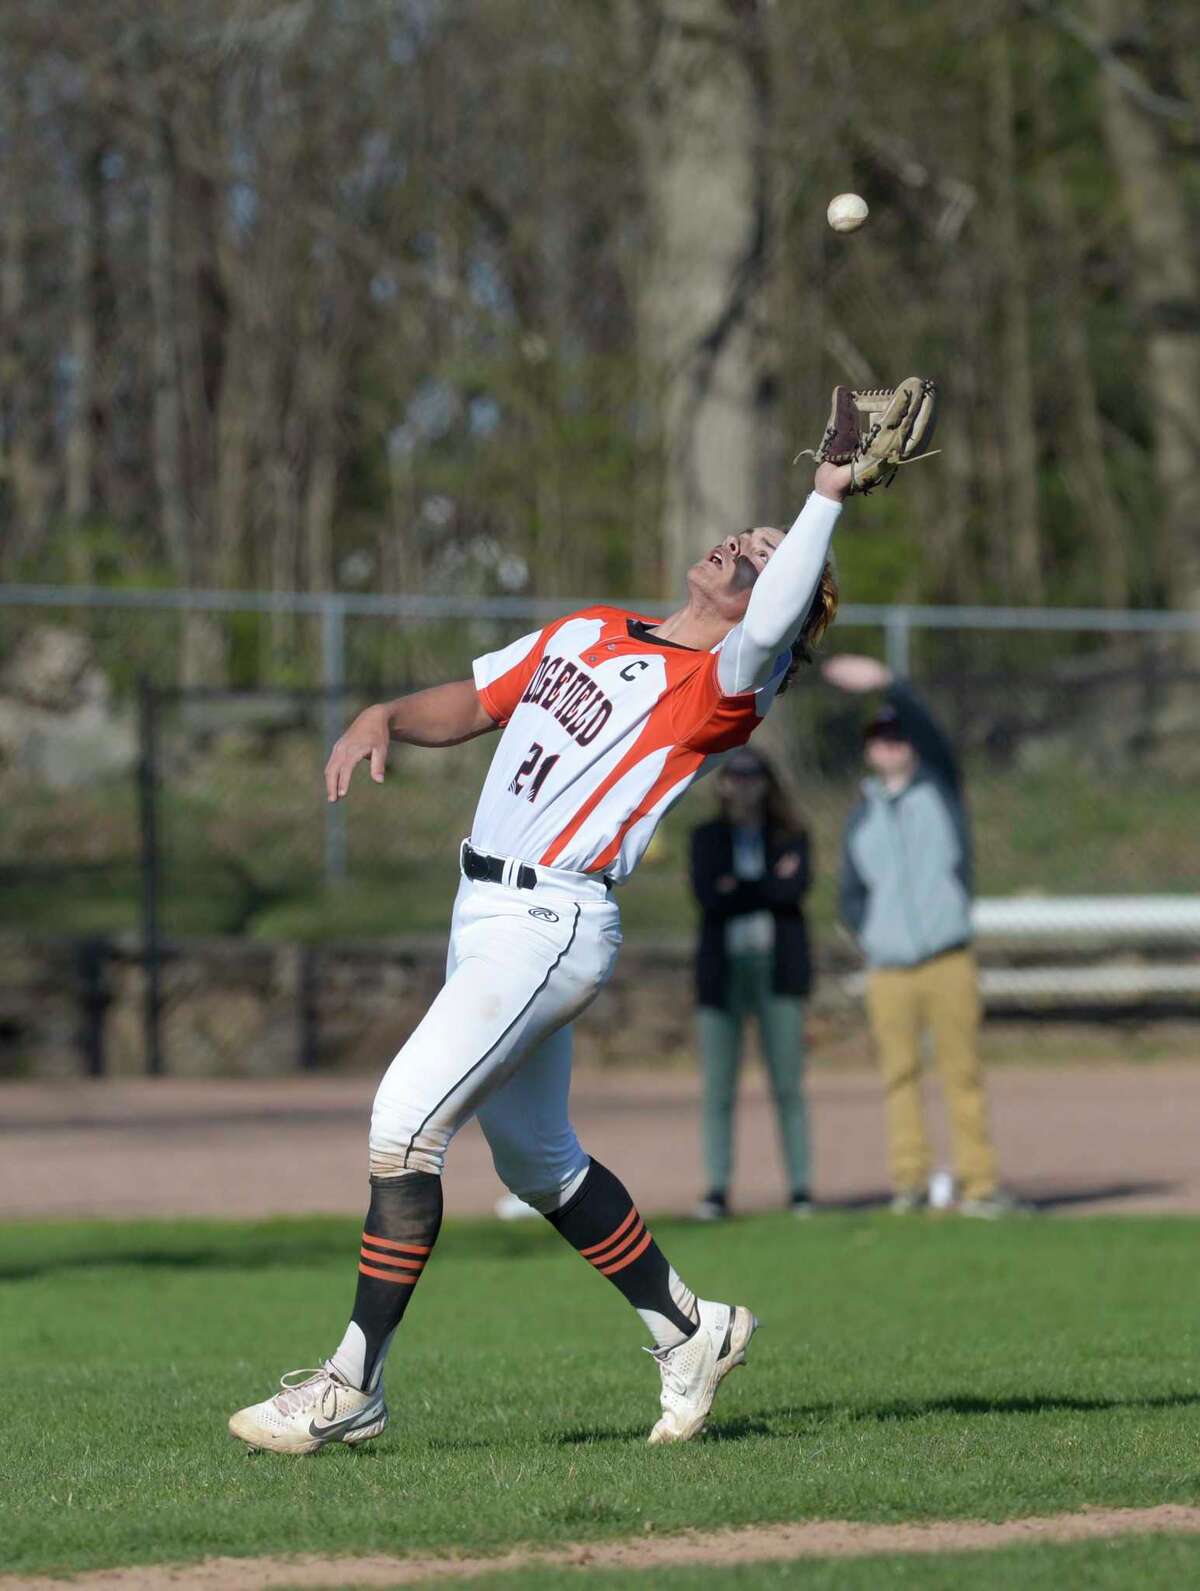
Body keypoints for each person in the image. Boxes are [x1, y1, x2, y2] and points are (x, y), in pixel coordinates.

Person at [225, 451, 865, 1458]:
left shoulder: (722, 683)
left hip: (549, 921)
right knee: (537, 1159)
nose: (742, 551)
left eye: (763, 560)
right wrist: (386, 713)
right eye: (747, 540)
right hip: (479, 907)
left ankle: (353, 1383)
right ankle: (688, 1329)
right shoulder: (592, 630)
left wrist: (822, 500)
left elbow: (780, 615)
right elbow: (478, 701)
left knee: (403, 1125)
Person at [823, 654, 1014, 1218]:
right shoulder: (861, 816)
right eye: (879, 737)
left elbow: (933, 737)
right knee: (898, 1078)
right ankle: (908, 1182)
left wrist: (889, 685)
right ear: (868, 748)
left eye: (896, 735)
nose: (889, 744)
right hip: (889, 968)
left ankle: (978, 1185)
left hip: (947, 959)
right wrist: (871, 935)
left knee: (963, 1074)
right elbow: (850, 894)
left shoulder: (941, 790)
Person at [689, 746, 813, 1220]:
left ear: (767, 783)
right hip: (723, 971)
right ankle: (717, 1188)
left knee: (788, 1082)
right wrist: (765, 886)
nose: (742, 785)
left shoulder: (791, 835)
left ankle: (801, 1187)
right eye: (733, 777)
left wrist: (738, 887)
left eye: (752, 776)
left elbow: (794, 889)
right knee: (719, 1085)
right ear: (722, 784)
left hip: (776, 968)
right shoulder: (706, 838)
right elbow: (707, 896)